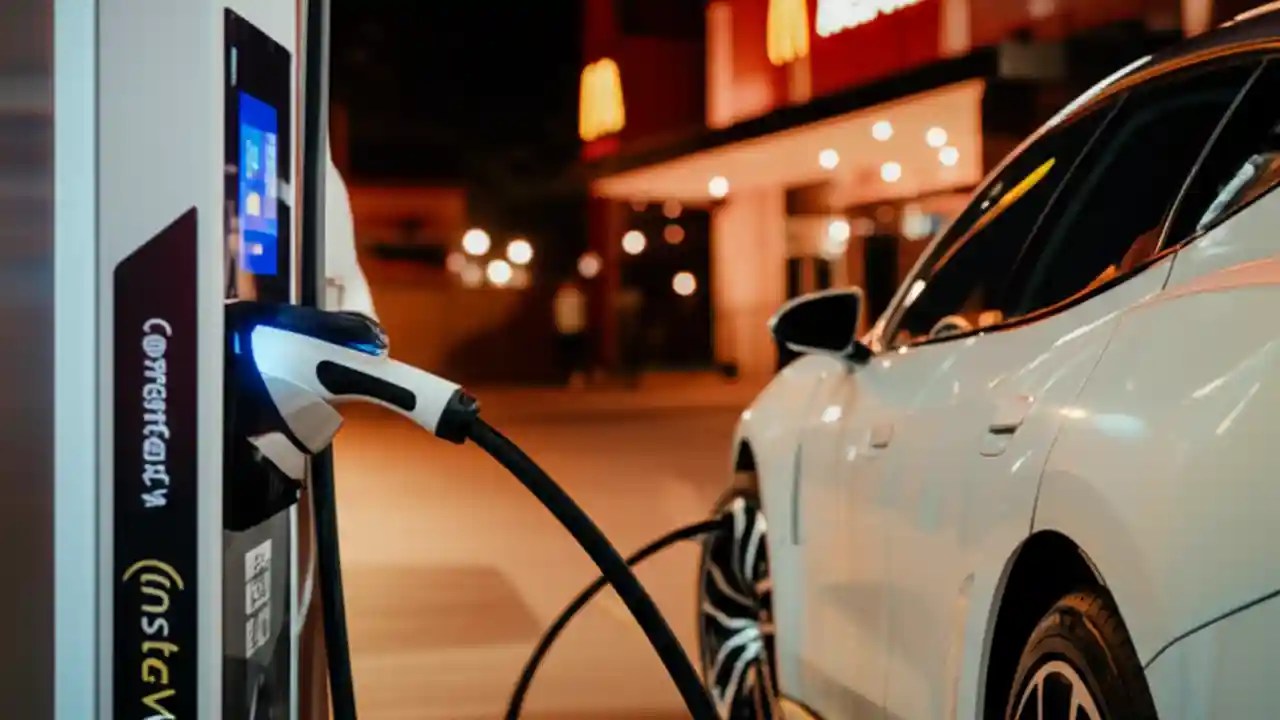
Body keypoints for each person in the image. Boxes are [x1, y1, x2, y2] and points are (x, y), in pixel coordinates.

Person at [553, 279, 589, 387]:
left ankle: (575, 377)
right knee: (569, 355)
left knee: (573, 355)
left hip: (573, 329)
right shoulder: (562, 297)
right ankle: (570, 377)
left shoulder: (575, 296)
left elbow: (581, 313)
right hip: (567, 330)